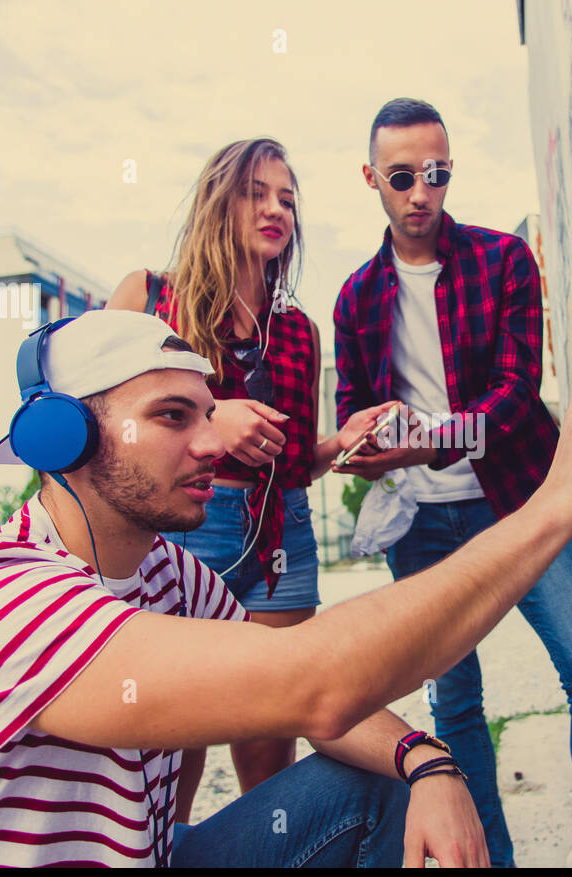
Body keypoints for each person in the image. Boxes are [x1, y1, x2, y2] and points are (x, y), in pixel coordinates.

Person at [0, 310, 572, 868]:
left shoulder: (171, 574)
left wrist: (430, 761)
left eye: (207, 412)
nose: (212, 442)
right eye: (173, 417)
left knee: (377, 789)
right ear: (59, 437)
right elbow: (315, 676)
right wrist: (557, 501)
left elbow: (310, 699)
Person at [332, 97, 572, 867]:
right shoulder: (354, 297)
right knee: (456, 703)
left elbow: (512, 396)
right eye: (401, 176)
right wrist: (364, 446)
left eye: (435, 173)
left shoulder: (503, 260)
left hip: (521, 504)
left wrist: (426, 444)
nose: (420, 193)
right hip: (421, 530)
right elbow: (352, 412)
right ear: (371, 177)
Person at [105, 138, 396, 793]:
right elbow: (97, 418)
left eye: (287, 200)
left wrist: (342, 440)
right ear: (219, 201)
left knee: (270, 743)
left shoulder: (299, 329)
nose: (276, 210)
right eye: (256, 193)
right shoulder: (149, 297)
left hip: (279, 537)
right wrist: (210, 422)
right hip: (180, 530)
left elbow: (296, 463)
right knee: (174, 746)